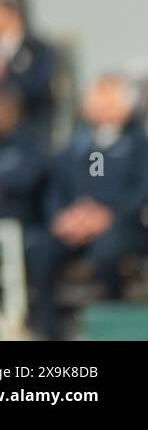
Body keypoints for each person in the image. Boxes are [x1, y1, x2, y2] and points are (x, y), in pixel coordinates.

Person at [27, 75, 148, 340]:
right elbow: (55, 191)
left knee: (109, 251)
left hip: (124, 228)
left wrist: (110, 216)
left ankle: (114, 326)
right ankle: (51, 330)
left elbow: (141, 192)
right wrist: (64, 218)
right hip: (76, 227)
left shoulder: (140, 146)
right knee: (39, 249)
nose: (100, 107)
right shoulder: (74, 148)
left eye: (108, 100)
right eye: (96, 100)